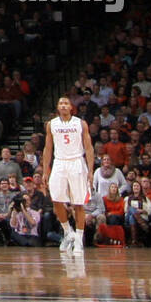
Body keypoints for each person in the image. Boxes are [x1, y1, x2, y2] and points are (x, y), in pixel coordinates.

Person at [43, 95, 94, 254]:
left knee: (78, 203)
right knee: (56, 199)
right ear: (58, 107)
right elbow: (47, 148)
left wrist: (91, 170)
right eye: (61, 103)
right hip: (59, 162)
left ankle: (78, 239)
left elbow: (89, 147)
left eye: (66, 103)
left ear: (71, 107)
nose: (63, 106)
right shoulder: (51, 124)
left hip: (76, 162)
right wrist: (45, 170)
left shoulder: (80, 123)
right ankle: (67, 232)